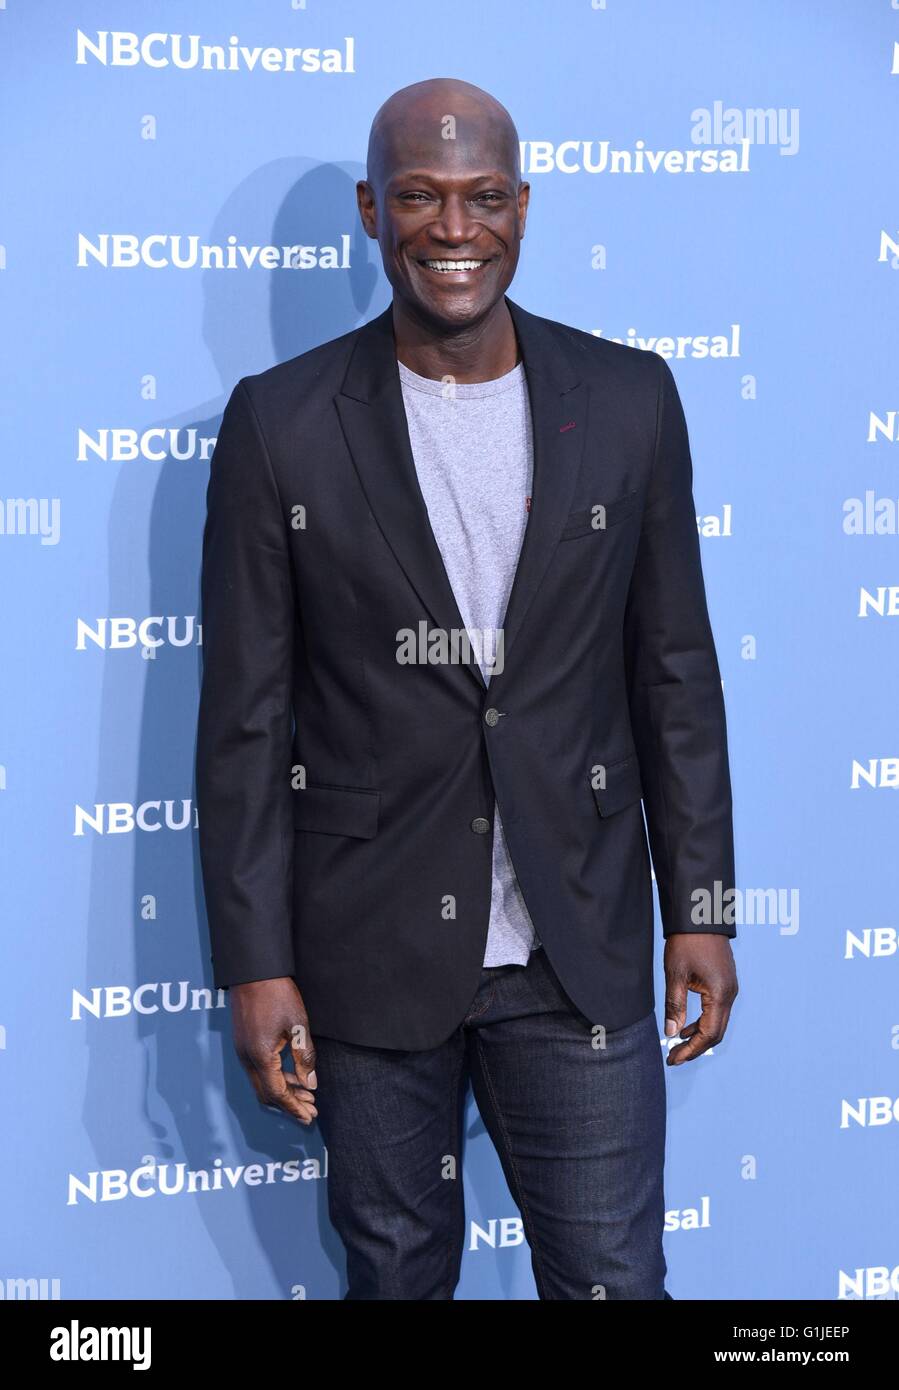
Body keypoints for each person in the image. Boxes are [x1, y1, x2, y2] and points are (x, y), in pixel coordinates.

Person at [196, 77, 739, 1301]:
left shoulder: (629, 397)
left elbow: (674, 674)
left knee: (609, 1276)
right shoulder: (279, 426)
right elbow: (242, 720)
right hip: (365, 946)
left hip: (576, 941)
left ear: (523, 208)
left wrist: (699, 906)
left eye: (482, 198)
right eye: (420, 199)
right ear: (370, 211)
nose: (454, 229)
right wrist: (254, 962)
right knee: (395, 1278)